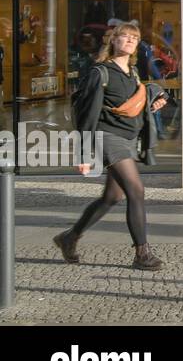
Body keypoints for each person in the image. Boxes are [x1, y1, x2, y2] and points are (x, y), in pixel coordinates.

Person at [54, 21, 170, 271]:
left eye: (134, 38)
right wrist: (84, 154)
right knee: (136, 191)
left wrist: (159, 98)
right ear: (113, 41)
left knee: (111, 197)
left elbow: (138, 100)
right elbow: (88, 115)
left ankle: (69, 237)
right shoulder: (100, 72)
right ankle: (142, 254)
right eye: (124, 36)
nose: (129, 40)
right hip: (108, 138)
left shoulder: (133, 73)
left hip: (128, 138)